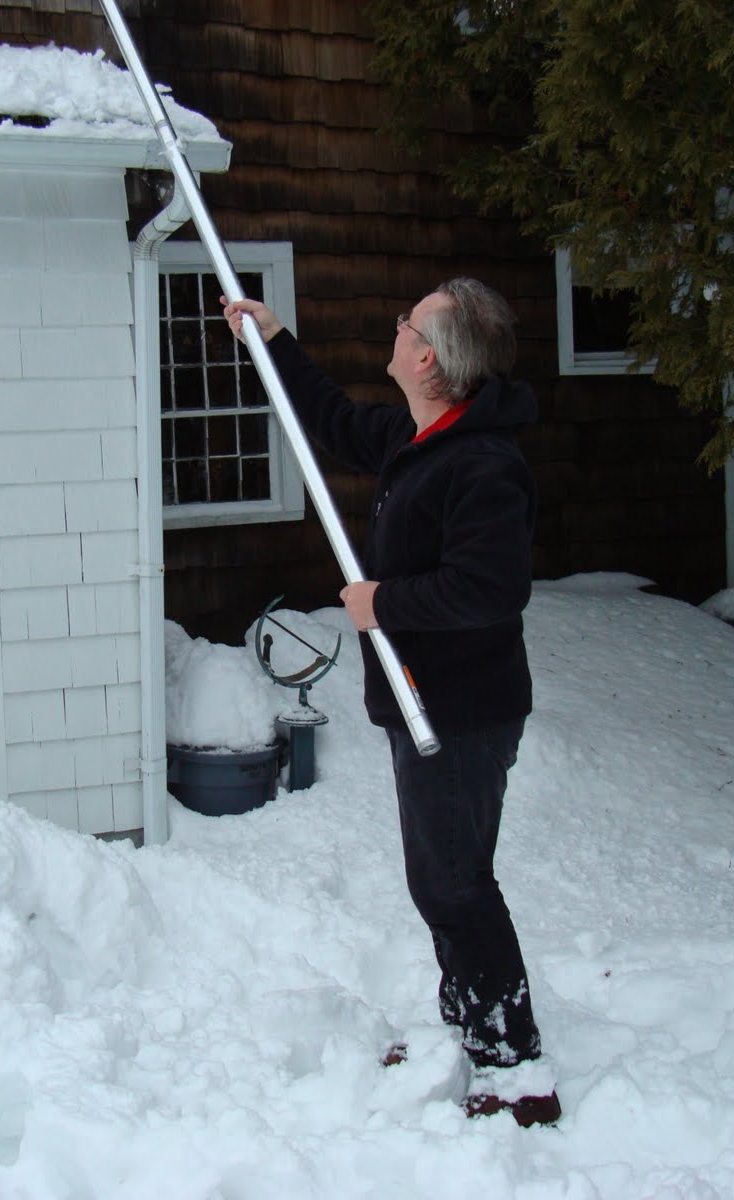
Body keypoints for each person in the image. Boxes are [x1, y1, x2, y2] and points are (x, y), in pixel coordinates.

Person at [224, 279, 559, 1128]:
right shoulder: (422, 436)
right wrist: (275, 338)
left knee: (454, 884)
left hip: (463, 712)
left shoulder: (483, 463)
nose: (397, 322)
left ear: (431, 359)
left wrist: (384, 605)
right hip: (424, 703)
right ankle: (469, 1022)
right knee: (440, 878)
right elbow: (336, 424)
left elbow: (490, 589)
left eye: (409, 319)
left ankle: (514, 1064)